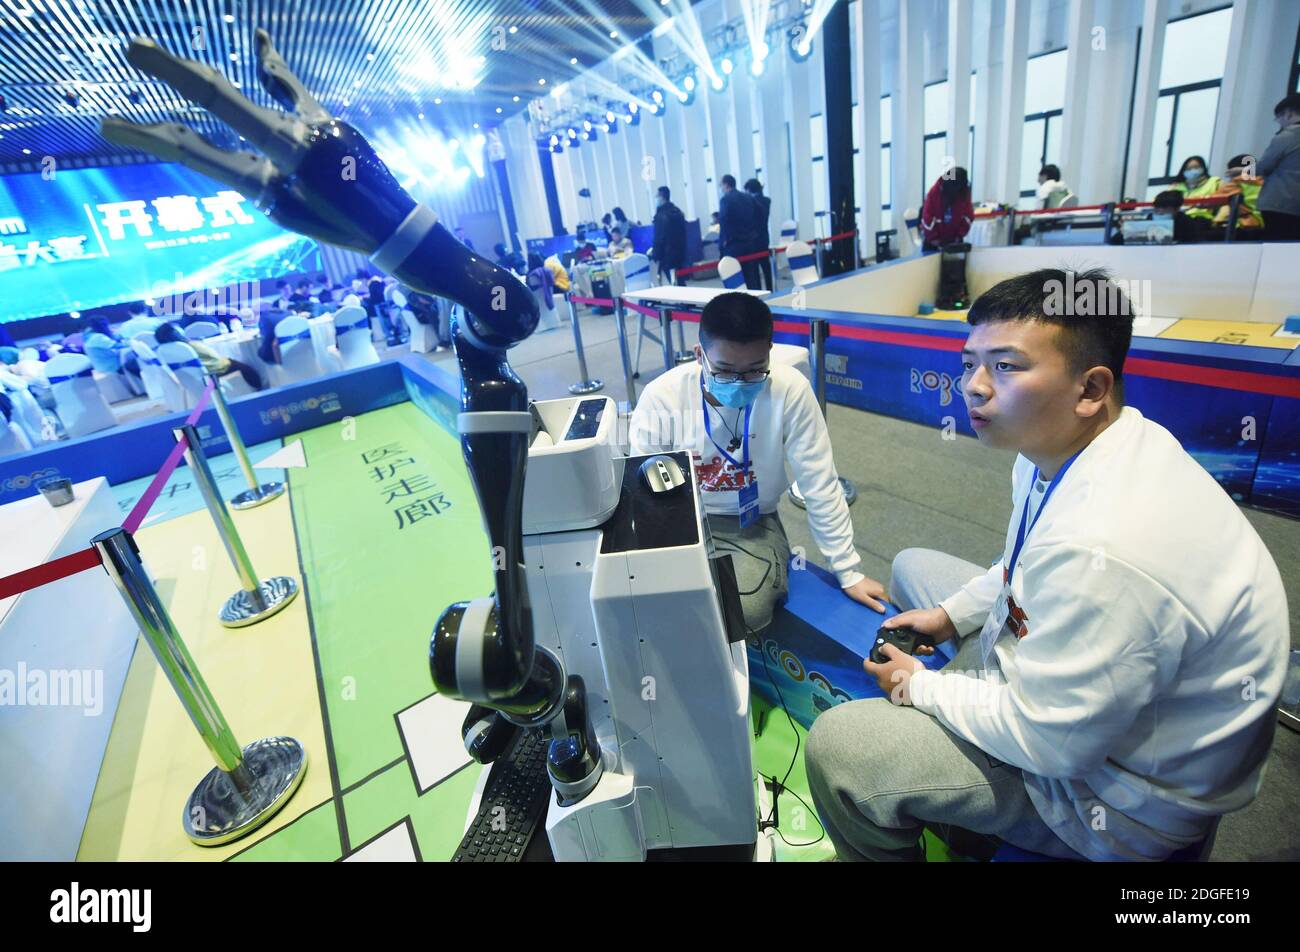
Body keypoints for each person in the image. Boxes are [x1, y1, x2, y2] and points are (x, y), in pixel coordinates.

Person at [805, 267, 1289, 863]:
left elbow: (1053, 743)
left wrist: (922, 688)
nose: (974, 387)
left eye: (1006, 366)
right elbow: (1019, 561)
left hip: (1113, 798)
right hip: (1090, 693)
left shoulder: (1106, 548)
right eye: (969, 363)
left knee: (842, 746)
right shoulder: (1071, 448)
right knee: (914, 566)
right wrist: (954, 616)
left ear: (1090, 388)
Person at [629, 292, 887, 637]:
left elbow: (819, 482)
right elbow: (645, 492)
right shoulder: (662, 397)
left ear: (769, 353)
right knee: (655, 603)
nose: (738, 382)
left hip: (753, 521)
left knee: (743, 609)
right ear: (699, 355)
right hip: (680, 520)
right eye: (723, 370)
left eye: (754, 371)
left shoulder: (789, 390)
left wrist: (848, 570)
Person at [155, 321, 264, 390]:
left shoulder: (166, 350)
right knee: (247, 368)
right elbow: (214, 356)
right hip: (215, 370)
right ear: (175, 333)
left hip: (195, 378)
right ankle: (260, 389)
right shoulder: (190, 345)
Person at [1257, 93, 1300, 241]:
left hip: (1279, 202)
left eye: (1279, 118)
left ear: (1288, 113)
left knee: (1274, 245)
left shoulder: (1288, 135)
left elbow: (1262, 166)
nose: (1280, 123)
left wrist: (1243, 169)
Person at [718, 174, 763, 289]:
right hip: (750, 242)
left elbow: (723, 222)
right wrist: (754, 231)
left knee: (735, 278)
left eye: (721, 185)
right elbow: (760, 214)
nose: (721, 188)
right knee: (751, 275)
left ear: (726, 184)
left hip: (734, 244)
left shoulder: (725, 200)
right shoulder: (748, 197)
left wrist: (722, 244)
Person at [920, 167, 974, 250]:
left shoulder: (964, 192)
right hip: (932, 242)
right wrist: (934, 238)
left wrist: (959, 235)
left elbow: (968, 216)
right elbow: (927, 217)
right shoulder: (934, 192)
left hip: (954, 241)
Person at [1210, 154, 1265, 235]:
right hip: (1265, 226)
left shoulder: (1235, 184)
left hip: (1244, 227)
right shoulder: (1267, 183)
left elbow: (1210, 201)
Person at [650, 186, 688, 284]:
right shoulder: (678, 212)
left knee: (671, 281)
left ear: (661, 197)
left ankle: (678, 298)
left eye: (657, 196)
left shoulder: (661, 215)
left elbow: (659, 237)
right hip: (680, 252)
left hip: (667, 255)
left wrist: (655, 255)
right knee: (680, 279)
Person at [1172, 155, 1222, 224]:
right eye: (1188, 169)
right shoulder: (1178, 186)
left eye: (1196, 167)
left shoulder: (1214, 182)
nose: (1192, 171)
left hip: (1202, 218)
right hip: (1179, 217)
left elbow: (1222, 203)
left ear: (1203, 168)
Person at [744, 179, 774, 290]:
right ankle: (771, 288)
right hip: (764, 238)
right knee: (766, 267)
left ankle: (759, 291)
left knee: (755, 269)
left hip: (753, 240)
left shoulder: (750, 202)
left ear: (749, 189)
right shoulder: (767, 200)